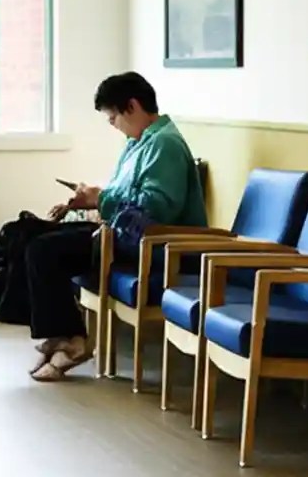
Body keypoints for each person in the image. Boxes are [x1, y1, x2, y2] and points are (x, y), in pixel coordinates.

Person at [26, 71, 207, 382]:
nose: (113, 125)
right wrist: (88, 202)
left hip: (155, 247)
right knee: (33, 237)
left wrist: (100, 199)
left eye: (113, 118)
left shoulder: (165, 145)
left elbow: (157, 207)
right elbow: (124, 197)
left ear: (132, 107)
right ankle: (61, 333)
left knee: (45, 250)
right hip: (124, 237)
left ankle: (71, 341)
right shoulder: (138, 143)